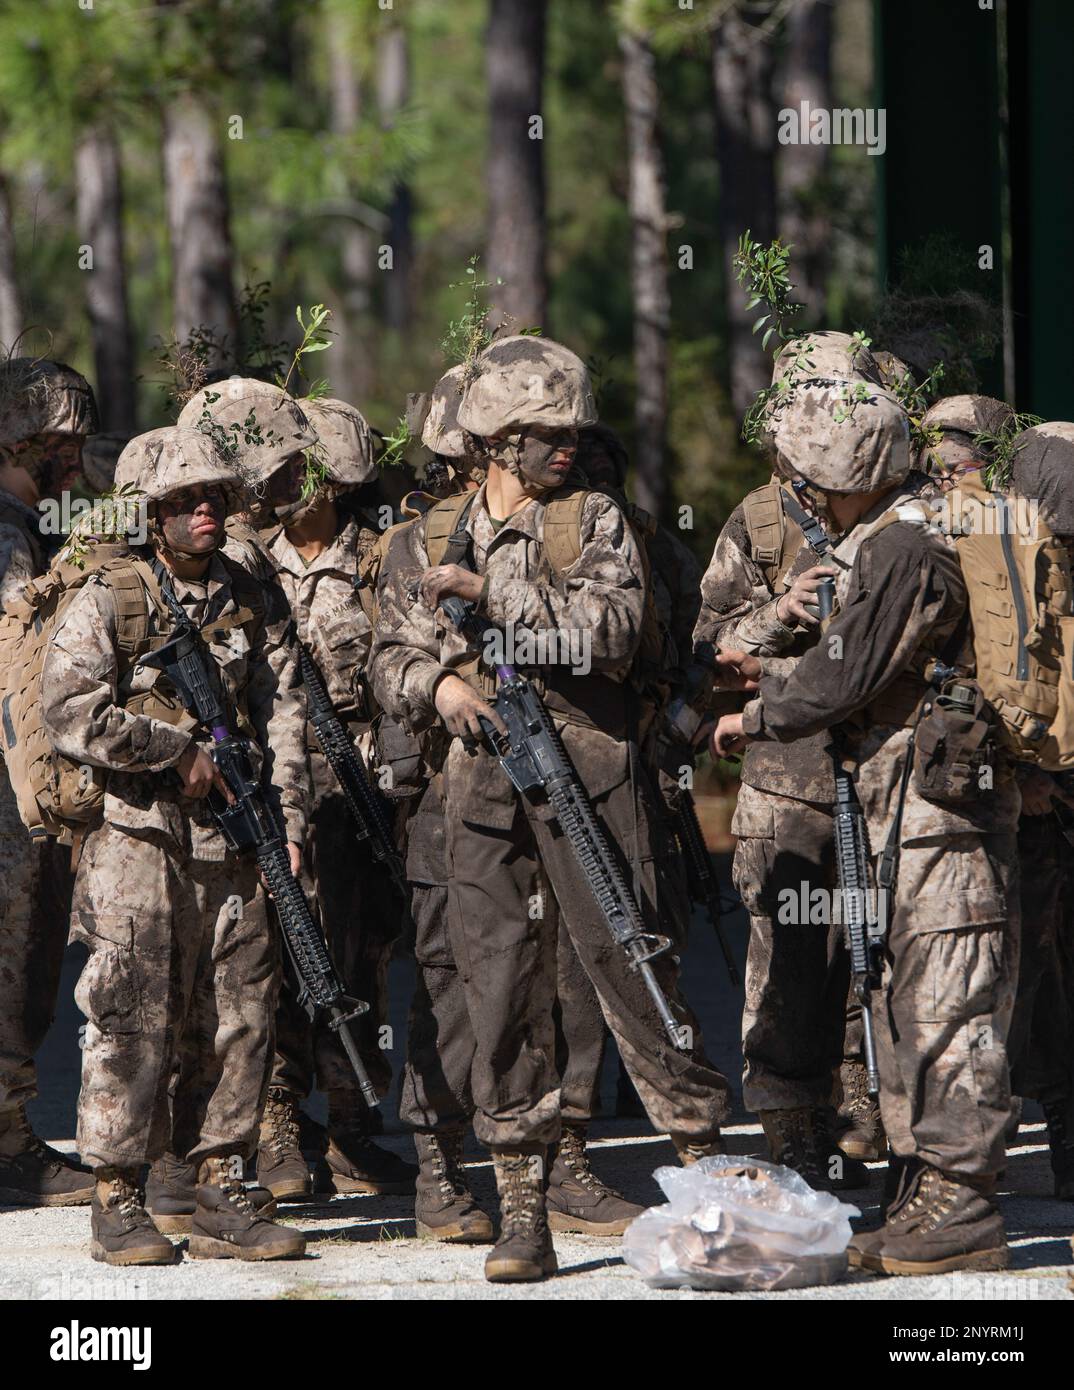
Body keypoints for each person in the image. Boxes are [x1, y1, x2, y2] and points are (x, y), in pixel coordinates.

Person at [370, 335, 732, 1283]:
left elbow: (610, 632)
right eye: (541, 433)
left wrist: (494, 593)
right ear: (493, 439)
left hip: (592, 783)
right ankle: (521, 1210)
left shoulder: (594, 521)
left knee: (637, 973)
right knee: (499, 996)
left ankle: (706, 1173)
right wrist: (439, 687)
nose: (564, 446)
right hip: (482, 799)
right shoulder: (421, 538)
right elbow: (388, 655)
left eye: (571, 429)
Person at [714, 380, 1020, 1275]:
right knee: (911, 992)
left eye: (809, 472)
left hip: (939, 816)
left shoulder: (908, 544)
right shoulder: (919, 528)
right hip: (918, 808)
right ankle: (931, 1192)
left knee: (951, 999)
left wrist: (756, 713)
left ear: (842, 473)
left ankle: (963, 1204)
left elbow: (838, 679)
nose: (802, 488)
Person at [41, 426, 311, 1264]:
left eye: (217, 500)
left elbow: (286, 706)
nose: (206, 512)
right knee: (129, 1016)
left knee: (238, 1013)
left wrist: (290, 821)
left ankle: (219, 1178)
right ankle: (118, 1194)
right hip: (139, 837)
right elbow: (69, 708)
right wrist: (174, 752)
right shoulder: (112, 597)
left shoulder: (248, 593)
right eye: (188, 502)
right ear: (154, 515)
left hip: (236, 836)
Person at [0, 358, 99, 1208]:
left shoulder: (37, 521)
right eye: (57, 445)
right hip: (7, 787)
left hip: (21, 779)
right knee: (14, 958)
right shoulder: (12, 529)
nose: (73, 462)